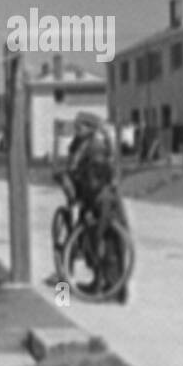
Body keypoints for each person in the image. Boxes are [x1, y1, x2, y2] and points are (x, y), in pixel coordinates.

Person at [62, 111, 129, 302]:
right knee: (91, 241)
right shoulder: (82, 145)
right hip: (92, 199)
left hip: (103, 201)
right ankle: (99, 282)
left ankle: (111, 287)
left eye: (79, 126)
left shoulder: (95, 147)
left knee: (106, 243)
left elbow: (96, 179)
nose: (76, 130)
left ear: (89, 128)